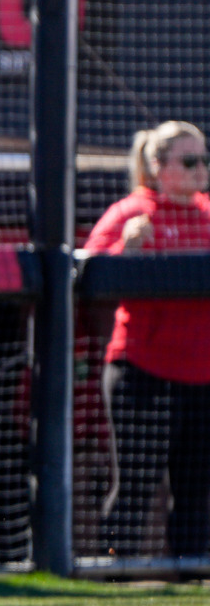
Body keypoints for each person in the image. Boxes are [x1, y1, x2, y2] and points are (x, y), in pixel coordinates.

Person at [89, 122, 210, 559]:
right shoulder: (132, 212)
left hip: (202, 376)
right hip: (144, 371)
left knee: (197, 488)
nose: (200, 171)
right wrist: (128, 249)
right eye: (189, 161)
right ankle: (113, 576)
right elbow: (91, 272)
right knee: (137, 482)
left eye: (204, 160)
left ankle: (195, 577)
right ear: (158, 167)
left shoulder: (209, 213)